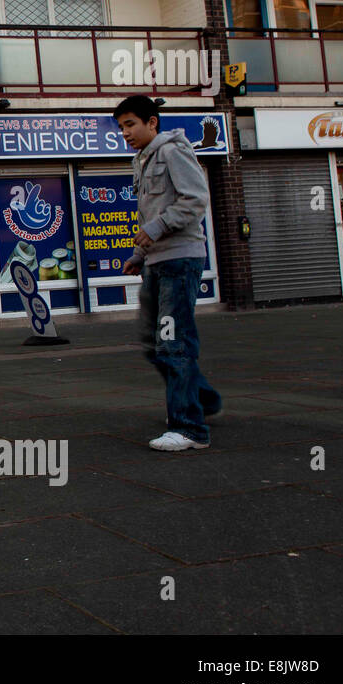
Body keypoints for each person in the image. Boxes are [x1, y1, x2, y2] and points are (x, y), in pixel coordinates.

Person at [116, 96, 222, 451]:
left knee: (173, 343)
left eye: (131, 124)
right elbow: (152, 215)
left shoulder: (173, 151)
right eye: (121, 127)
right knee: (153, 343)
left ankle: (190, 429)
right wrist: (139, 254)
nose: (125, 133)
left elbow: (195, 200)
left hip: (180, 260)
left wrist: (157, 228)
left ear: (152, 122)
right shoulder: (142, 160)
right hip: (156, 262)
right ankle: (201, 401)